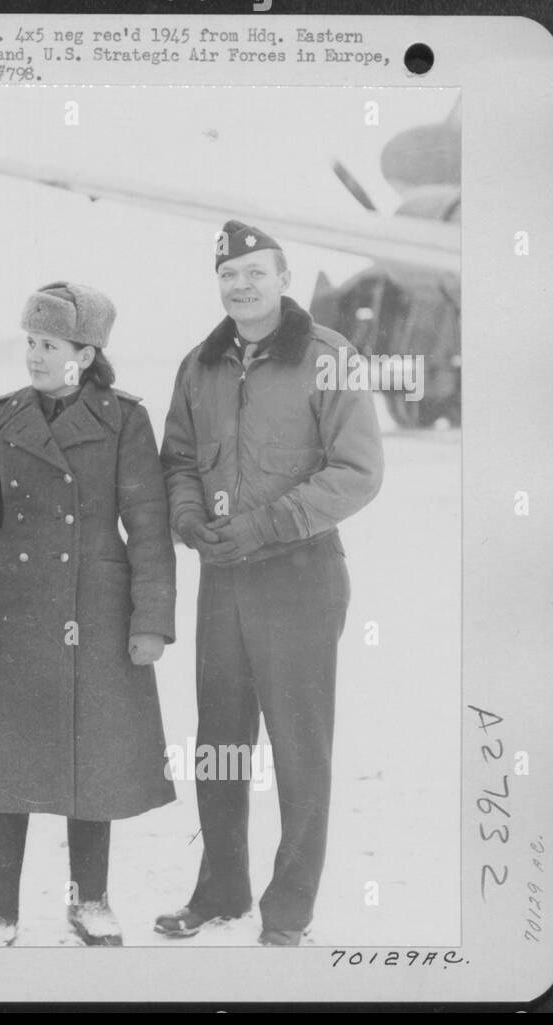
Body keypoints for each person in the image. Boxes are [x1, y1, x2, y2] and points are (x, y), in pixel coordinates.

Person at [156, 220, 384, 947]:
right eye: (229, 275)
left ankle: (287, 913)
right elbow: (178, 459)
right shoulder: (200, 364)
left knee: (298, 749)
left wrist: (270, 524)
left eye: (255, 271)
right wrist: (189, 516)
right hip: (222, 580)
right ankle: (220, 889)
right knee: (220, 744)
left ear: (284, 276)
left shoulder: (330, 357)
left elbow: (358, 471)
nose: (241, 285)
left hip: (300, 577)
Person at [0, 282, 176, 947]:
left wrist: (151, 619)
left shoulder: (124, 419)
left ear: (87, 352)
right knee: (6, 764)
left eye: (50, 344)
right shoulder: (6, 417)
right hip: (15, 614)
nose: (35, 356)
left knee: (89, 763)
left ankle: (90, 899)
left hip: (95, 611)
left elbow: (149, 527)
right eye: (31, 342)